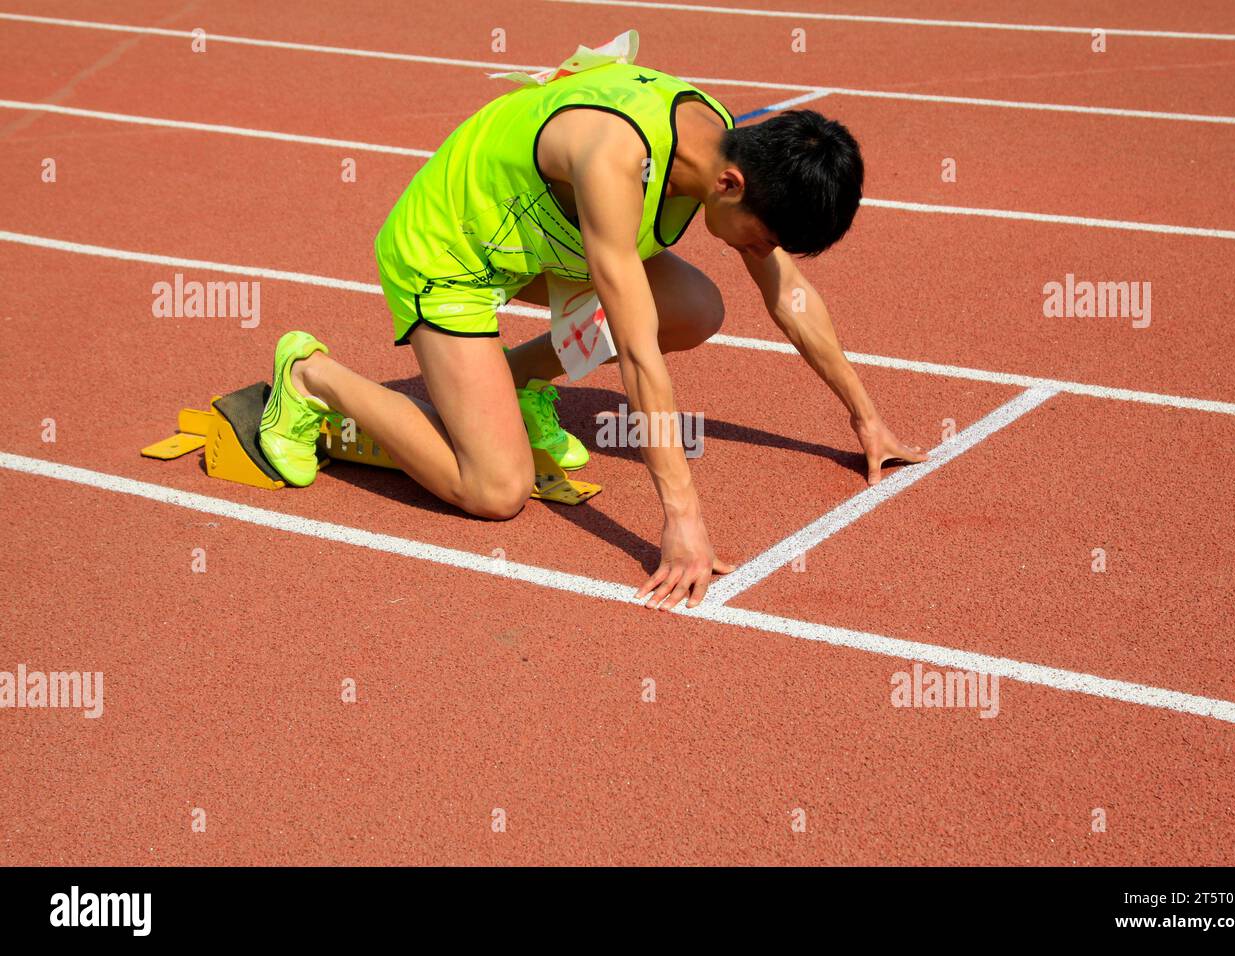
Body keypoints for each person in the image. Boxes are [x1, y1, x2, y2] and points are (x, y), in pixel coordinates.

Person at [258, 38, 926, 611]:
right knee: (496, 490)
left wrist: (865, 418)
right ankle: (313, 377)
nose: (761, 252)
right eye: (762, 237)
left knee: (696, 308)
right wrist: (683, 519)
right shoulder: (616, 159)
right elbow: (637, 355)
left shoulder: (727, 139)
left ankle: (510, 385)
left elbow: (791, 295)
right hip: (451, 253)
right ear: (728, 184)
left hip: (539, 242)